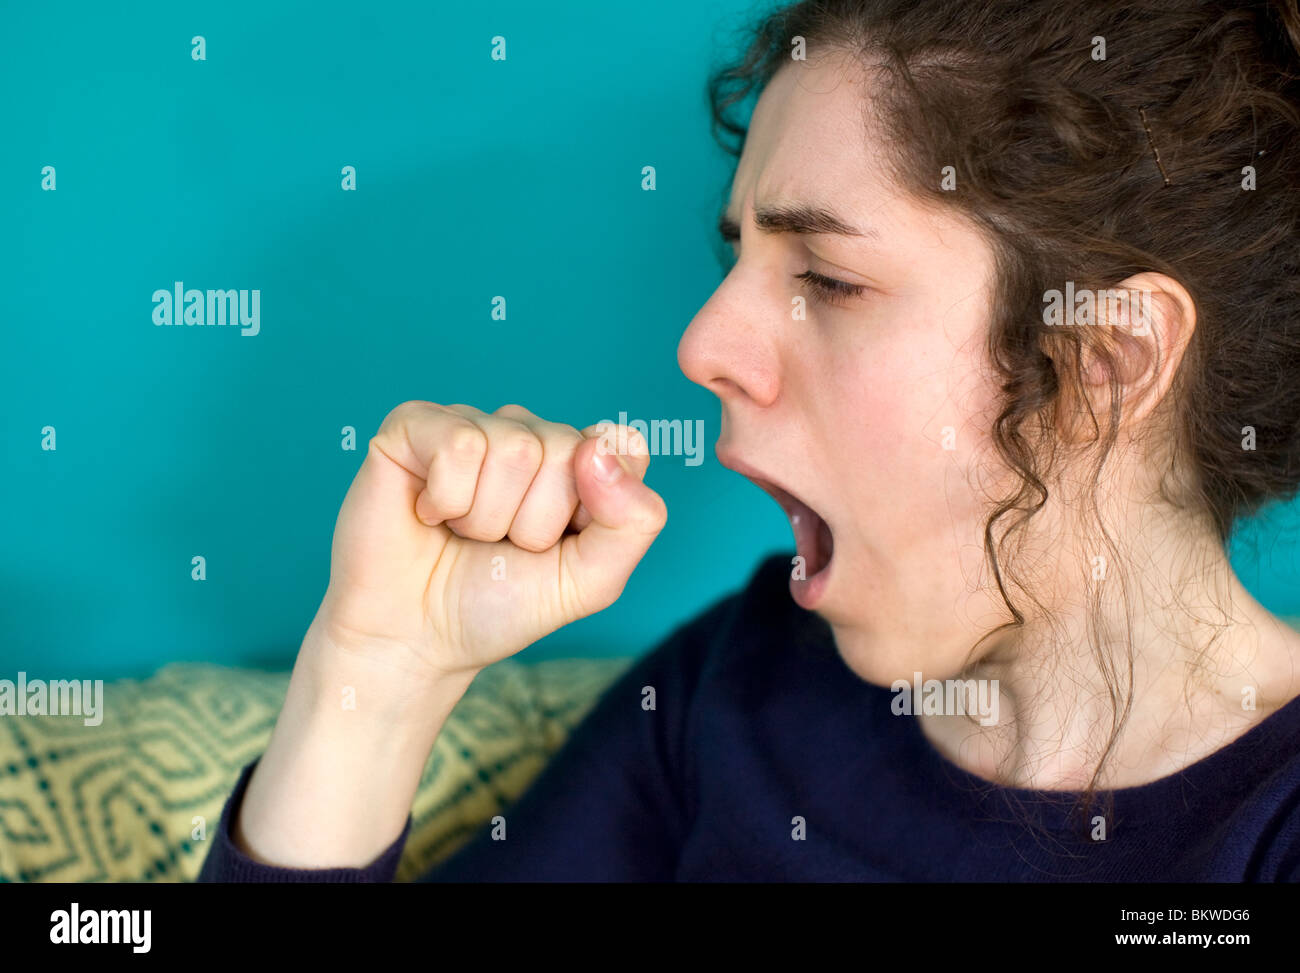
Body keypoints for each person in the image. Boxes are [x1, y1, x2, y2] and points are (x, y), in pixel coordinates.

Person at [199, 0, 1300, 881]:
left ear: (1103, 365)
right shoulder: (740, 688)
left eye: (828, 279)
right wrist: (377, 671)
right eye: (737, 260)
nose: (702, 343)